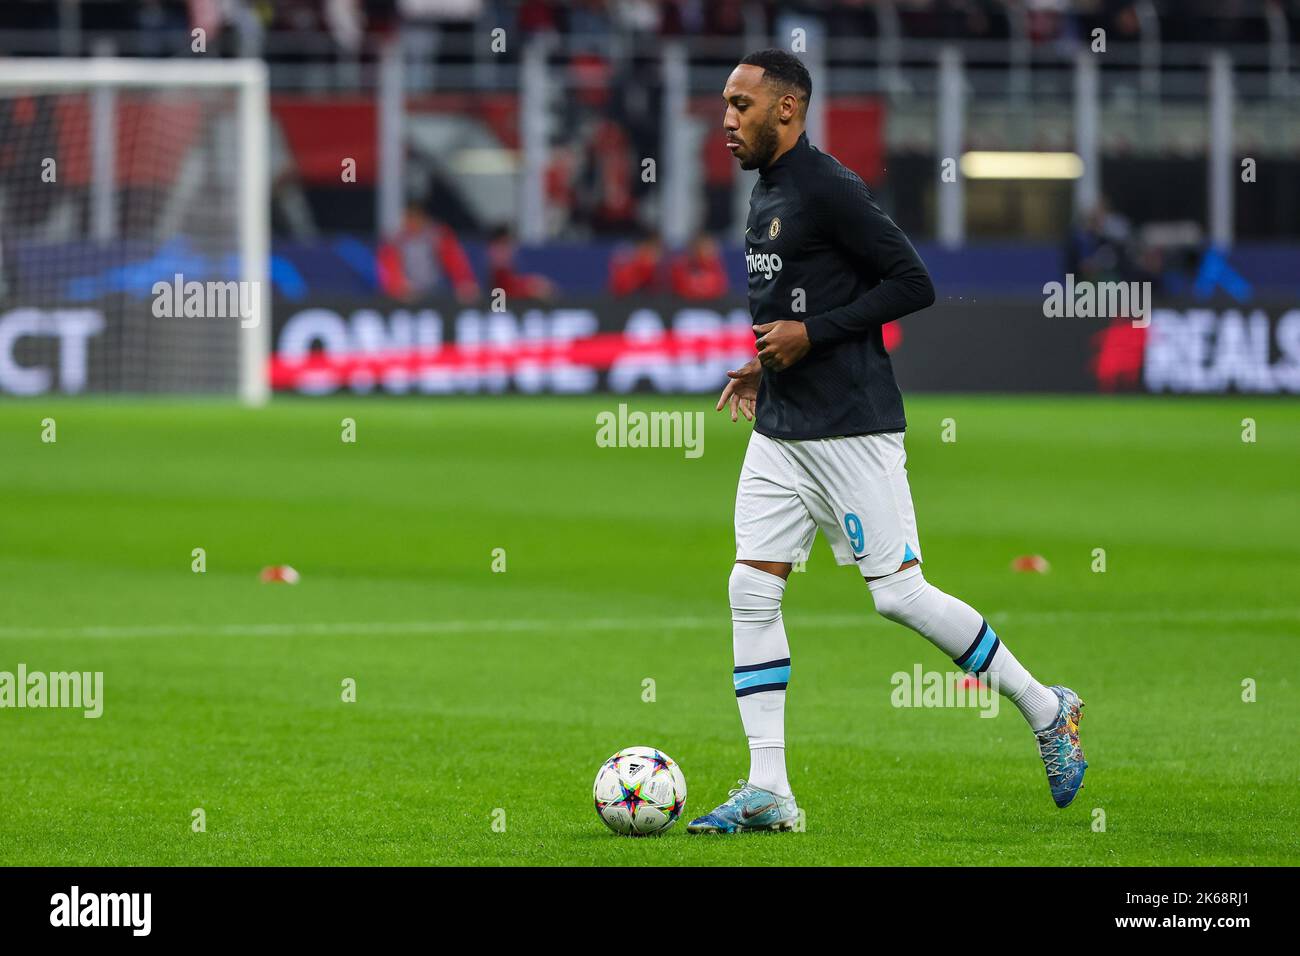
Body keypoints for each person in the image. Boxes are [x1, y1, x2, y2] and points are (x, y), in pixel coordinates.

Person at [688, 49, 1087, 834]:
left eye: (741, 105)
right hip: (782, 431)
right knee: (750, 588)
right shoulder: (766, 192)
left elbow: (912, 282)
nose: (726, 121)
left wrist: (813, 335)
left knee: (898, 594)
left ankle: (1047, 709)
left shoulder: (829, 187)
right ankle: (769, 789)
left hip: (851, 428)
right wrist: (770, 366)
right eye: (724, 106)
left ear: (787, 110)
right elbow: (799, 307)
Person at [376, 203, 479, 303]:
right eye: (410, 218)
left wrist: (464, 283)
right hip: (405, 293)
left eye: (416, 218)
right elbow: (389, 269)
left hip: (435, 290)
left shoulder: (437, 236)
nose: (413, 222)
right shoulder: (395, 241)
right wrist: (399, 287)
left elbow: (456, 263)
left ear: (423, 218)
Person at [669, 232, 730, 301]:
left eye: (710, 247)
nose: (709, 252)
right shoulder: (680, 266)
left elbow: (721, 290)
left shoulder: (716, 267)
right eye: (704, 247)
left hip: (711, 306)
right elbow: (682, 290)